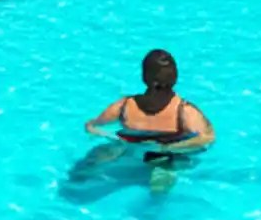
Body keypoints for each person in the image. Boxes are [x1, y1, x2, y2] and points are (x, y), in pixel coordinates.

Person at [84, 49, 215, 166]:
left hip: (146, 151)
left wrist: (114, 139)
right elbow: (207, 137)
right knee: (159, 188)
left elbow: (92, 126)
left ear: (144, 77)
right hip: (160, 152)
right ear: (175, 78)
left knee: (85, 172)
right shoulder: (185, 112)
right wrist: (167, 148)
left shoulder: (125, 107)